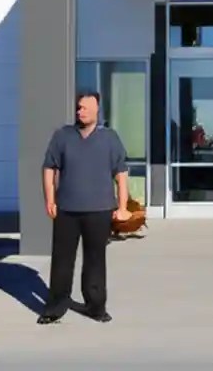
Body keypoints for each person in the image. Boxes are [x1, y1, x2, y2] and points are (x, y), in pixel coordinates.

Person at [37, 91, 132, 324]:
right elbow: (49, 168)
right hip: (67, 210)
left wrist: (122, 207)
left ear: (97, 109)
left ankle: (96, 307)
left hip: (99, 210)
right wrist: (49, 200)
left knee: (95, 260)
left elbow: (121, 174)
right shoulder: (63, 136)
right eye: (79, 107)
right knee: (62, 260)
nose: (81, 111)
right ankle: (55, 307)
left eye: (86, 108)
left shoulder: (110, 138)